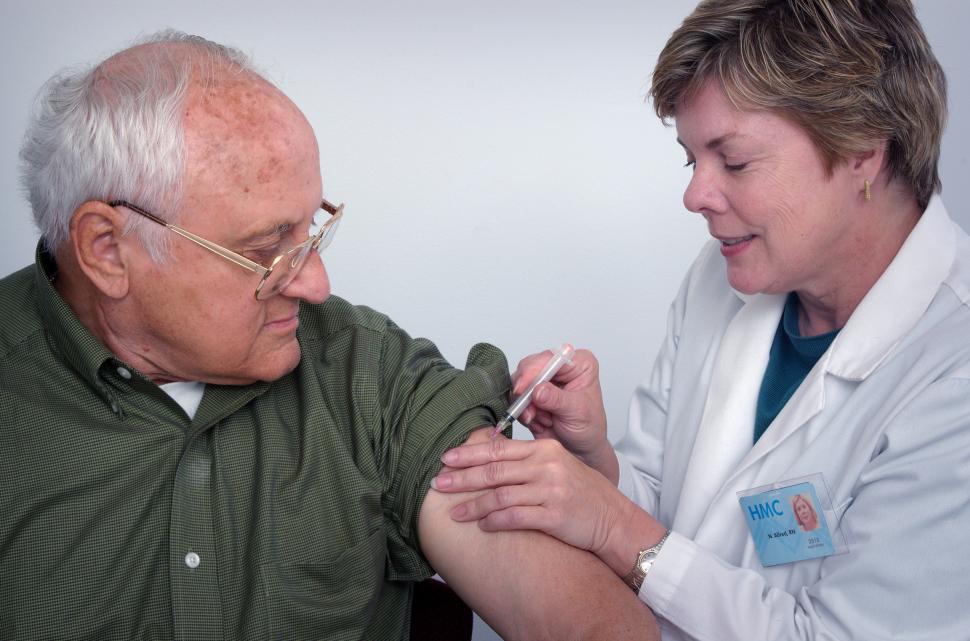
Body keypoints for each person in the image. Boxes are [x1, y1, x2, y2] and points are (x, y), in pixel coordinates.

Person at [0, 31, 658, 641]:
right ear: (107, 250)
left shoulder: (364, 372)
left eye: (312, 228)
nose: (316, 284)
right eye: (267, 248)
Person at [430, 1, 970, 639]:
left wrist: (609, 522)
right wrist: (595, 461)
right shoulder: (727, 274)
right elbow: (673, 522)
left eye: (733, 161)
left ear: (861, 150)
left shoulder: (952, 378)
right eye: (692, 161)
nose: (694, 196)